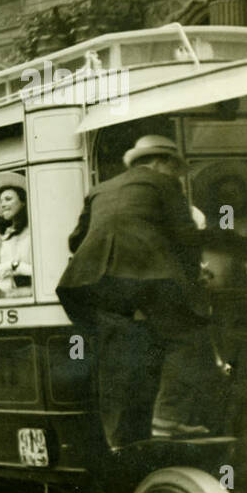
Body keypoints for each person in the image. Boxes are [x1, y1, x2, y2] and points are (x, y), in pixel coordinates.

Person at [57, 134, 213, 445]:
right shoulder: (164, 184)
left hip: (90, 283)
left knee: (117, 353)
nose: (176, 175)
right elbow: (186, 239)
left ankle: (120, 439)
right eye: (175, 168)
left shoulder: (100, 189)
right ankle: (169, 418)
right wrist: (195, 279)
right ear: (161, 162)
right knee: (190, 334)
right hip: (146, 274)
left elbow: (76, 241)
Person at [0, 172, 33, 295]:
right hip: (9, 297)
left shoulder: (33, 232)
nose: (3, 205)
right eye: (1, 201)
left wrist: (13, 266)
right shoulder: (4, 236)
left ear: (23, 202)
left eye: (8, 199)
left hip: (30, 294)